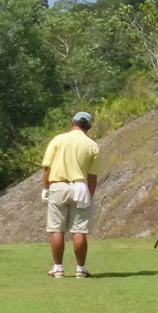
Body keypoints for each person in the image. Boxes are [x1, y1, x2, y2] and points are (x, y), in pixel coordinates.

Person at [40, 111, 101, 278]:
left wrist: (46, 188)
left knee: (57, 230)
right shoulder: (92, 145)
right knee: (79, 230)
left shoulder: (58, 140)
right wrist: (90, 195)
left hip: (58, 186)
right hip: (80, 187)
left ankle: (58, 268)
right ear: (88, 127)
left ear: (72, 122)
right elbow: (92, 176)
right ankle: (80, 269)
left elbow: (47, 168)